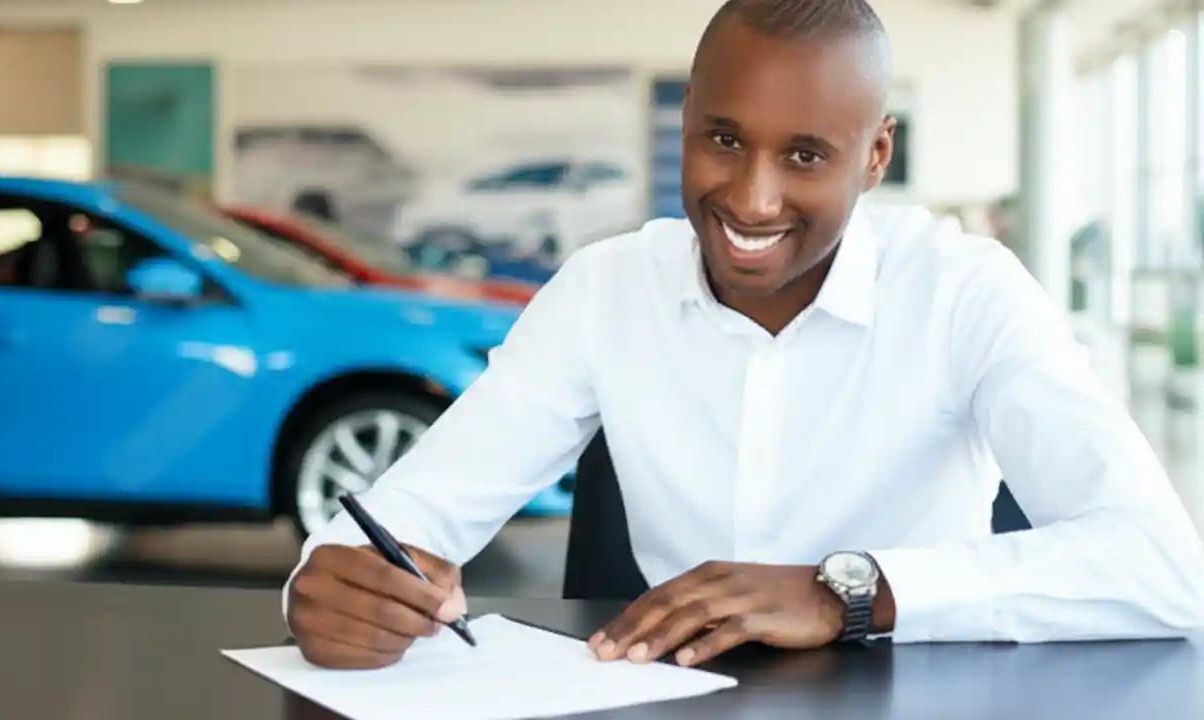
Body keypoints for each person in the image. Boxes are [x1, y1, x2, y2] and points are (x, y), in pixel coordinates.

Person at [284, 0, 1204, 670]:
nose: (752, 199)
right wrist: (327, 589)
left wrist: (846, 589)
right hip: (663, 694)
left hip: (919, 690)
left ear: (876, 155)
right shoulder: (605, 290)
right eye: (722, 140)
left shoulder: (965, 291)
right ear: (684, 121)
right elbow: (401, 526)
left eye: (805, 156)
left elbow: (1166, 568)